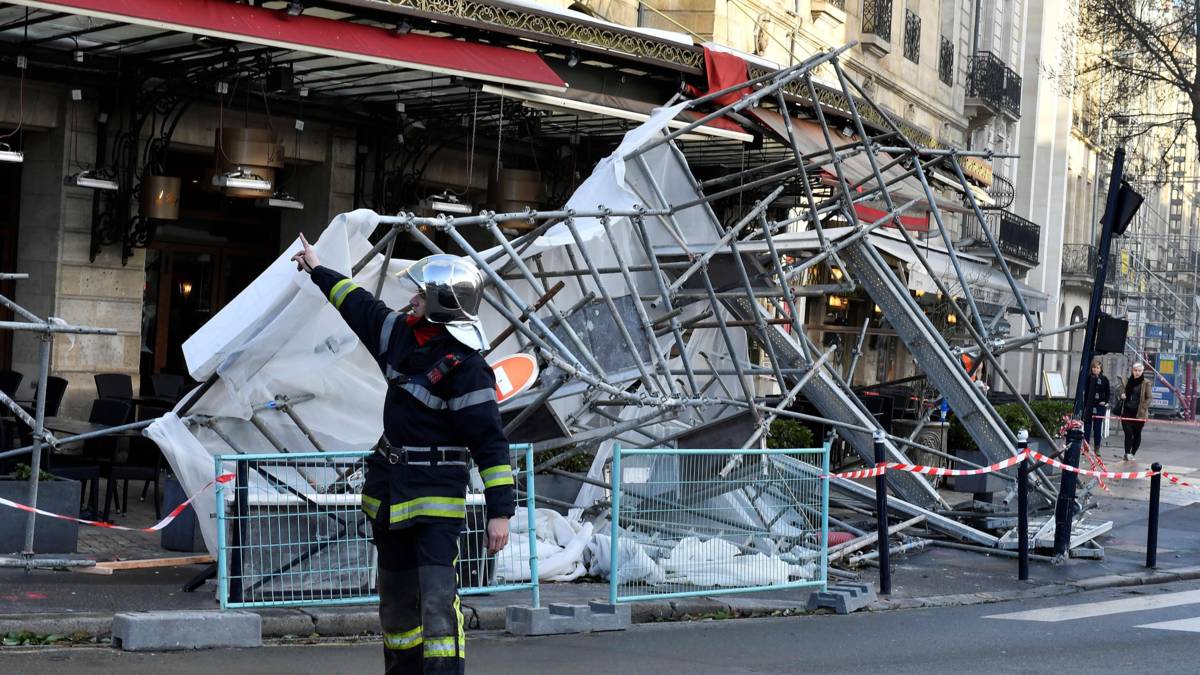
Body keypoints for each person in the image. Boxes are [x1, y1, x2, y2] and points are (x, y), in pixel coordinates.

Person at [292, 233, 513, 675]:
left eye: (420, 293)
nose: (411, 299)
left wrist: (500, 512)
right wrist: (318, 269)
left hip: (435, 506)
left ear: (440, 303)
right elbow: (356, 305)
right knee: (395, 610)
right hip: (390, 497)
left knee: (436, 607)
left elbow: (490, 443)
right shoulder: (398, 336)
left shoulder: (469, 369)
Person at [1117, 361, 1153, 461]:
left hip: (1139, 413)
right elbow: (1120, 391)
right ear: (1132, 371)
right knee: (1128, 433)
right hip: (1127, 411)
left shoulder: (1146, 383)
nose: (1137, 372)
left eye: (1139, 370)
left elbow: (1149, 398)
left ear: (1142, 371)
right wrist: (1121, 395)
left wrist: (1143, 408)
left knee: (1137, 434)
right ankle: (1127, 453)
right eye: (1135, 370)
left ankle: (1133, 453)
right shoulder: (1127, 381)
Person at [1082, 359, 1110, 451]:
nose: (1096, 369)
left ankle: (1097, 448)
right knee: (1087, 427)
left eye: (1098, 368)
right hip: (1089, 406)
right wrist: (1085, 405)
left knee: (1097, 428)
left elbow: (1108, 393)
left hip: (1100, 407)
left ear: (1101, 369)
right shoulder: (1088, 378)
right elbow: (1085, 392)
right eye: (1094, 368)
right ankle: (1086, 448)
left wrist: (1105, 401)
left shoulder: (1105, 379)